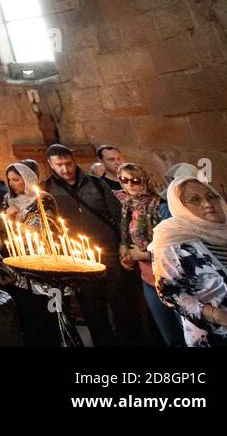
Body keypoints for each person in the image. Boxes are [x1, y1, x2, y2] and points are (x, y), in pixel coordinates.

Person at [46, 143, 143, 345]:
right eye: (59, 165)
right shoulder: (47, 190)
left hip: (110, 257)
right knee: (94, 313)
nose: (65, 169)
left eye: (68, 163)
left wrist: (124, 245)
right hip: (80, 263)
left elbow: (118, 217)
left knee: (124, 309)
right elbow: (49, 227)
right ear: (51, 165)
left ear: (74, 161)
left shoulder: (96, 184)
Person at [152, 177, 227, 346]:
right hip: (218, 336)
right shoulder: (171, 241)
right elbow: (171, 294)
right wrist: (225, 318)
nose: (208, 204)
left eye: (211, 196)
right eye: (195, 199)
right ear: (180, 206)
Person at [117, 163, 184, 346]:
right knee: (169, 335)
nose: (130, 185)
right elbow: (128, 238)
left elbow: (177, 247)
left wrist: (145, 255)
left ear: (145, 181)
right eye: (124, 180)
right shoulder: (128, 207)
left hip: (170, 277)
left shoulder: (161, 208)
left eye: (136, 181)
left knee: (187, 330)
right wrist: (126, 252)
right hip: (148, 279)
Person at [0, 162, 62, 345]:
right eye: (9, 180)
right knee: (27, 309)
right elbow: (3, 231)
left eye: (16, 180)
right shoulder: (7, 200)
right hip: (18, 263)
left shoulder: (43, 199)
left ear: (27, 179)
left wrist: (18, 225)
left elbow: (44, 228)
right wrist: (9, 220)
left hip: (42, 260)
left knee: (47, 308)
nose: (12, 184)